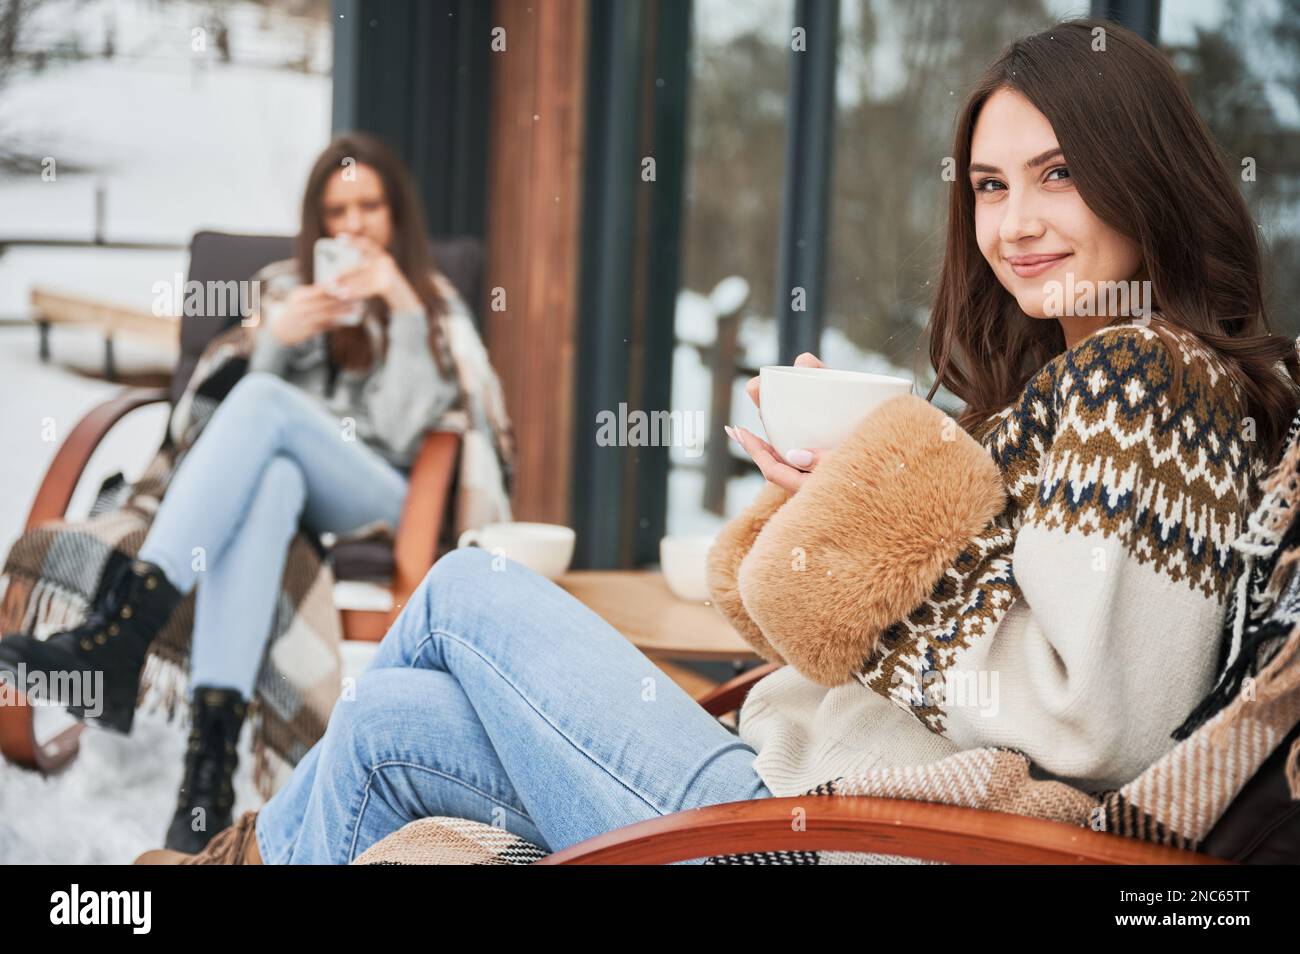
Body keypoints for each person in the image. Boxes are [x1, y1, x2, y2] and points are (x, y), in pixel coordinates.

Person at [137, 18, 1299, 865]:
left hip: (837, 835)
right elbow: (996, 618)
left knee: (464, 595)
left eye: (1059, 174)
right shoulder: (1099, 378)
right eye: (990, 187)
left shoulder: (1144, 378)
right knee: (388, 725)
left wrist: (863, 518)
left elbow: (1090, 722)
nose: (1015, 223)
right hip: (816, 794)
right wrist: (834, 505)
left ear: (1144, 172)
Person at [0, 132, 511, 854]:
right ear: (318, 221)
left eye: (370, 205)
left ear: (397, 215)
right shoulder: (285, 291)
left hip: (384, 498)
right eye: (337, 210)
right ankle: (206, 776)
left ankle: (123, 629)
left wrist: (394, 305)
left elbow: (407, 428)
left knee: (267, 402)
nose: (354, 224)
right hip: (293, 487)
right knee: (270, 479)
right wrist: (278, 338)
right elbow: (217, 424)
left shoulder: (430, 304)